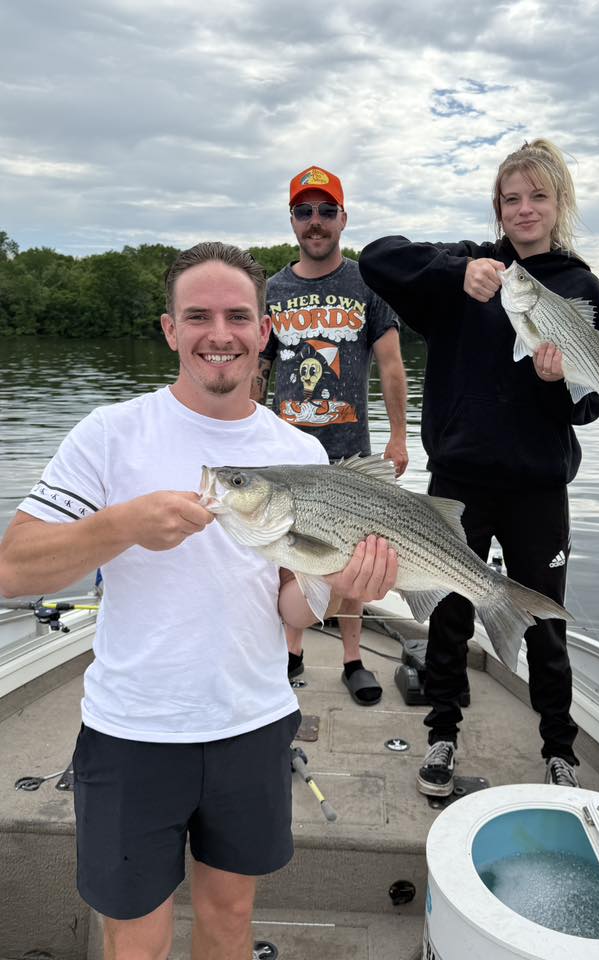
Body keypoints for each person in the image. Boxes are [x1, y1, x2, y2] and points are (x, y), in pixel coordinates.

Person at [0, 241, 398, 960]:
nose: (221, 334)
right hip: (133, 731)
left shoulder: (301, 453)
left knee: (228, 919)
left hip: (253, 721)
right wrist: (119, 525)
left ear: (265, 330)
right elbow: (13, 570)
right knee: (136, 941)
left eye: (239, 316)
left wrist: (345, 588)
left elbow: (292, 610)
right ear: (170, 330)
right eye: (199, 315)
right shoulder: (110, 434)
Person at [359, 139, 599, 796]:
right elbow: (377, 259)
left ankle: (558, 750)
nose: (525, 208)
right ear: (498, 208)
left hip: (538, 488)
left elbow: (591, 403)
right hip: (460, 481)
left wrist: (559, 383)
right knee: (447, 611)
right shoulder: (469, 272)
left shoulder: (579, 285)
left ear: (558, 202)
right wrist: (458, 275)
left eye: (538, 195)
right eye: (512, 198)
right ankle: (443, 733)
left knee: (545, 618)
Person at [252, 165, 408, 706]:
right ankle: (291, 653)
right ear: (292, 220)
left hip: (349, 450)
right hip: (285, 451)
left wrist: (399, 438)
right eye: (303, 211)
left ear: (342, 217)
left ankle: (352, 658)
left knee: (352, 557)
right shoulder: (271, 289)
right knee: (290, 551)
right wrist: (244, 434)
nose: (314, 222)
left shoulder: (368, 283)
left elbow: (390, 364)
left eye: (325, 210)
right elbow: (259, 369)